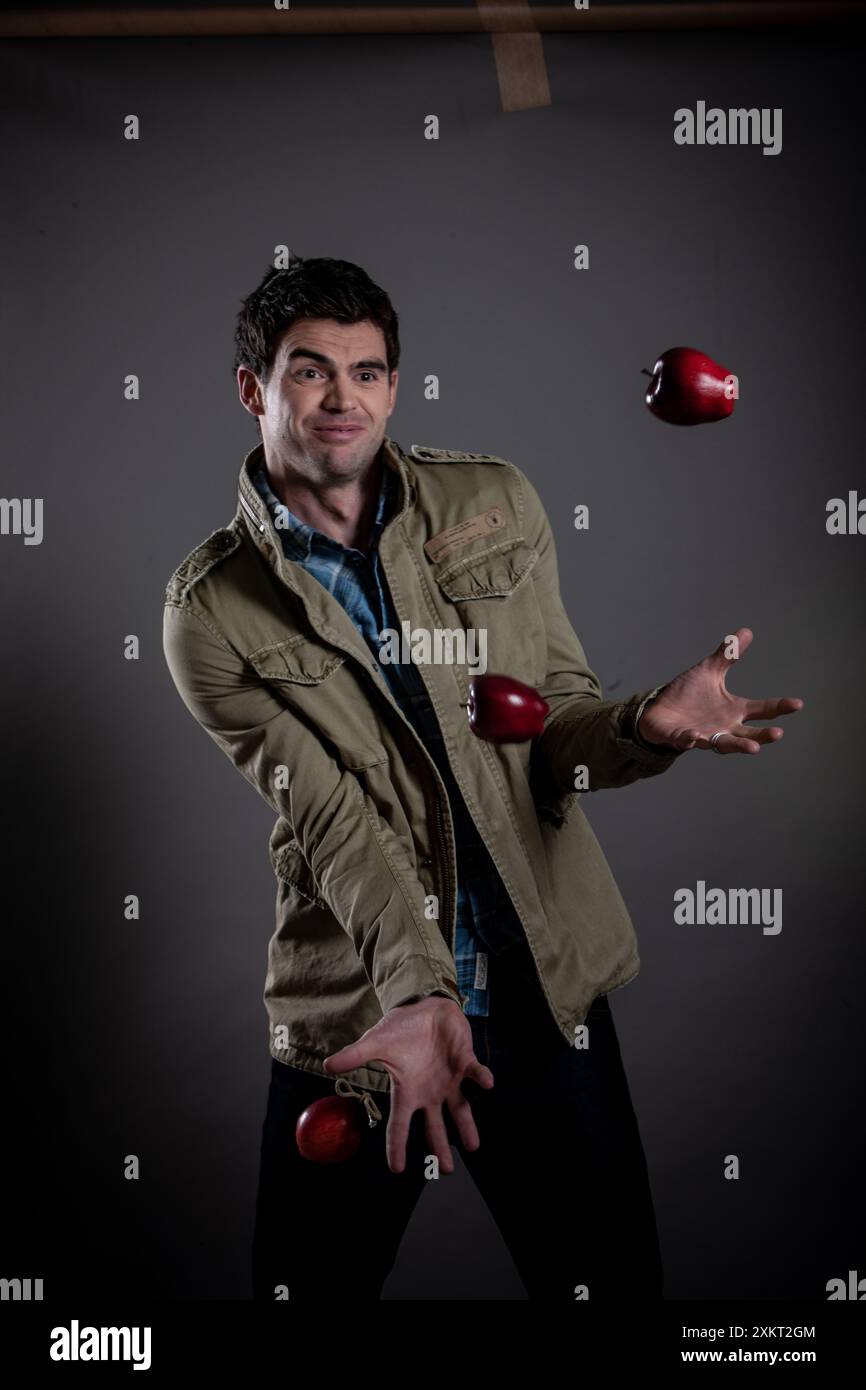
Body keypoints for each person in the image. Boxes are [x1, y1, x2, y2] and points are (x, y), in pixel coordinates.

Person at [162, 255, 803, 1301]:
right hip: (365, 1018)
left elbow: (553, 727)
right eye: (310, 372)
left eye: (367, 374)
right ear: (254, 389)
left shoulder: (493, 501)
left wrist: (644, 722)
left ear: (394, 387)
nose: (341, 399)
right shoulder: (208, 612)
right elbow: (331, 823)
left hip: (541, 993)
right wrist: (420, 995)